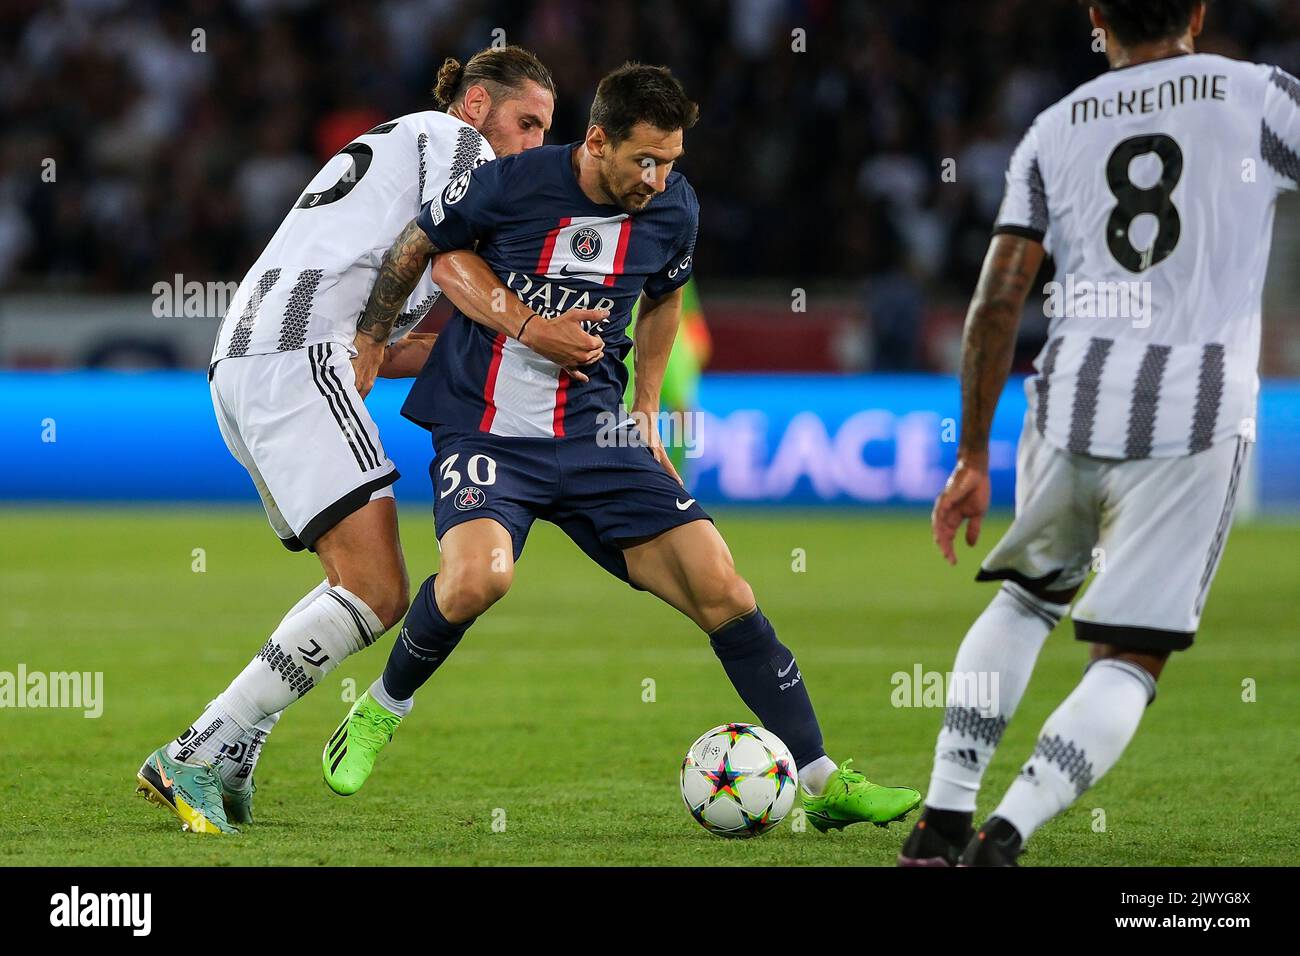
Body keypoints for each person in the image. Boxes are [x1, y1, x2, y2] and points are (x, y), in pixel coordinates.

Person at [323, 63, 922, 833]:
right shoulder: (514, 182)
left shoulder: (674, 207)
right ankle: (380, 709)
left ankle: (822, 778)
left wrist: (644, 408)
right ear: (597, 140)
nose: (657, 177)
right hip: (488, 427)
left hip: (597, 433)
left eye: (670, 161)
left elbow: (666, 298)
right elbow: (435, 255)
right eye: (644, 159)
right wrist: (427, 336)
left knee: (724, 587)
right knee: (479, 580)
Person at [898, 0, 1289, 865]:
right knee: (1131, 655)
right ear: (1197, 9)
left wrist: (971, 454)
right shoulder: (1260, 95)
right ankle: (1006, 836)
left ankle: (941, 821)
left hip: (1068, 399)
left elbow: (998, 300)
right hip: (1194, 413)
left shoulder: (1053, 128)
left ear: (1097, 16)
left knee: (1026, 597)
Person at [136, 47, 556, 835]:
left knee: (350, 583)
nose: (532, 144)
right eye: (526, 122)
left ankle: (231, 748)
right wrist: (527, 320)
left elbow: (387, 347)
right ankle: (196, 748)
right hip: (297, 358)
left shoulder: (407, 161)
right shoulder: (455, 144)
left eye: (545, 131)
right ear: (475, 105)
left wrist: (494, 347)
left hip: (253, 363)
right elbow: (439, 262)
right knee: (379, 588)